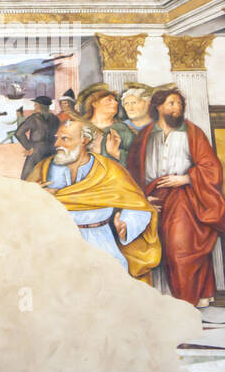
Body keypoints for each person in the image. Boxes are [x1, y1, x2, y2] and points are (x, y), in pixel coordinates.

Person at [127, 87, 225, 306]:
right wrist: (143, 198)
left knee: (180, 247)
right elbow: (134, 169)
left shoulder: (192, 131)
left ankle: (186, 302)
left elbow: (211, 167)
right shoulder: (145, 135)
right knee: (156, 250)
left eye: (180, 104)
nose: (177, 108)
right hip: (154, 195)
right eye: (172, 103)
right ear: (159, 107)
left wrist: (185, 179)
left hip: (185, 195)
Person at [29, 119, 160, 280]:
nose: (57, 144)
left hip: (100, 243)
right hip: (57, 244)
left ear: (84, 140)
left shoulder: (109, 170)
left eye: (65, 139)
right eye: (57, 138)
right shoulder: (43, 169)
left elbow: (138, 206)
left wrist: (126, 225)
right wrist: (35, 197)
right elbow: (20, 206)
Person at [76, 83, 134, 164]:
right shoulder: (78, 128)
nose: (115, 103)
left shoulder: (123, 129)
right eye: (109, 100)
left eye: (115, 100)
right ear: (94, 103)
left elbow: (138, 159)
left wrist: (117, 153)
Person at [17, 95, 59, 180]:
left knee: (27, 177)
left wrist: (28, 147)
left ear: (40, 106)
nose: (34, 106)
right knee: (49, 175)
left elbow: (19, 133)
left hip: (37, 150)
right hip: (52, 148)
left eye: (35, 104)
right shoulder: (55, 118)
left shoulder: (33, 118)